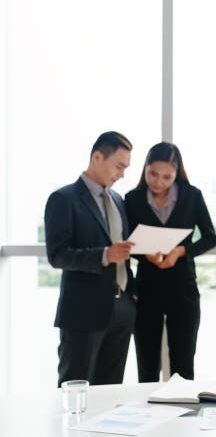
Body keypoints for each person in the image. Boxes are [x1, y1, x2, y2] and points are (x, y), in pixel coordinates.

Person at [45, 131, 137, 386]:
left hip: (122, 309)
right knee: (75, 389)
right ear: (97, 157)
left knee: (111, 392)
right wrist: (104, 255)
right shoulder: (63, 199)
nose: (122, 174)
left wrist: (132, 299)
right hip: (83, 312)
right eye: (119, 166)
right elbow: (57, 255)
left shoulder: (118, 200)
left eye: (126, 168)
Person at [124, 142, 216, 382]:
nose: (158, 181)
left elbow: (210, 238)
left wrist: (181, 251)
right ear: (145, 169)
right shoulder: (132, 199)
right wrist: (144, 253)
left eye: (167, 176)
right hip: (146, 290)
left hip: (183, 289)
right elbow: (126, 244)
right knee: (146, 367)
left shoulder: (191, 196)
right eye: (152, 174)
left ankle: (184, 418)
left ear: (177, 173)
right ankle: (147, 417)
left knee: (183, 366)